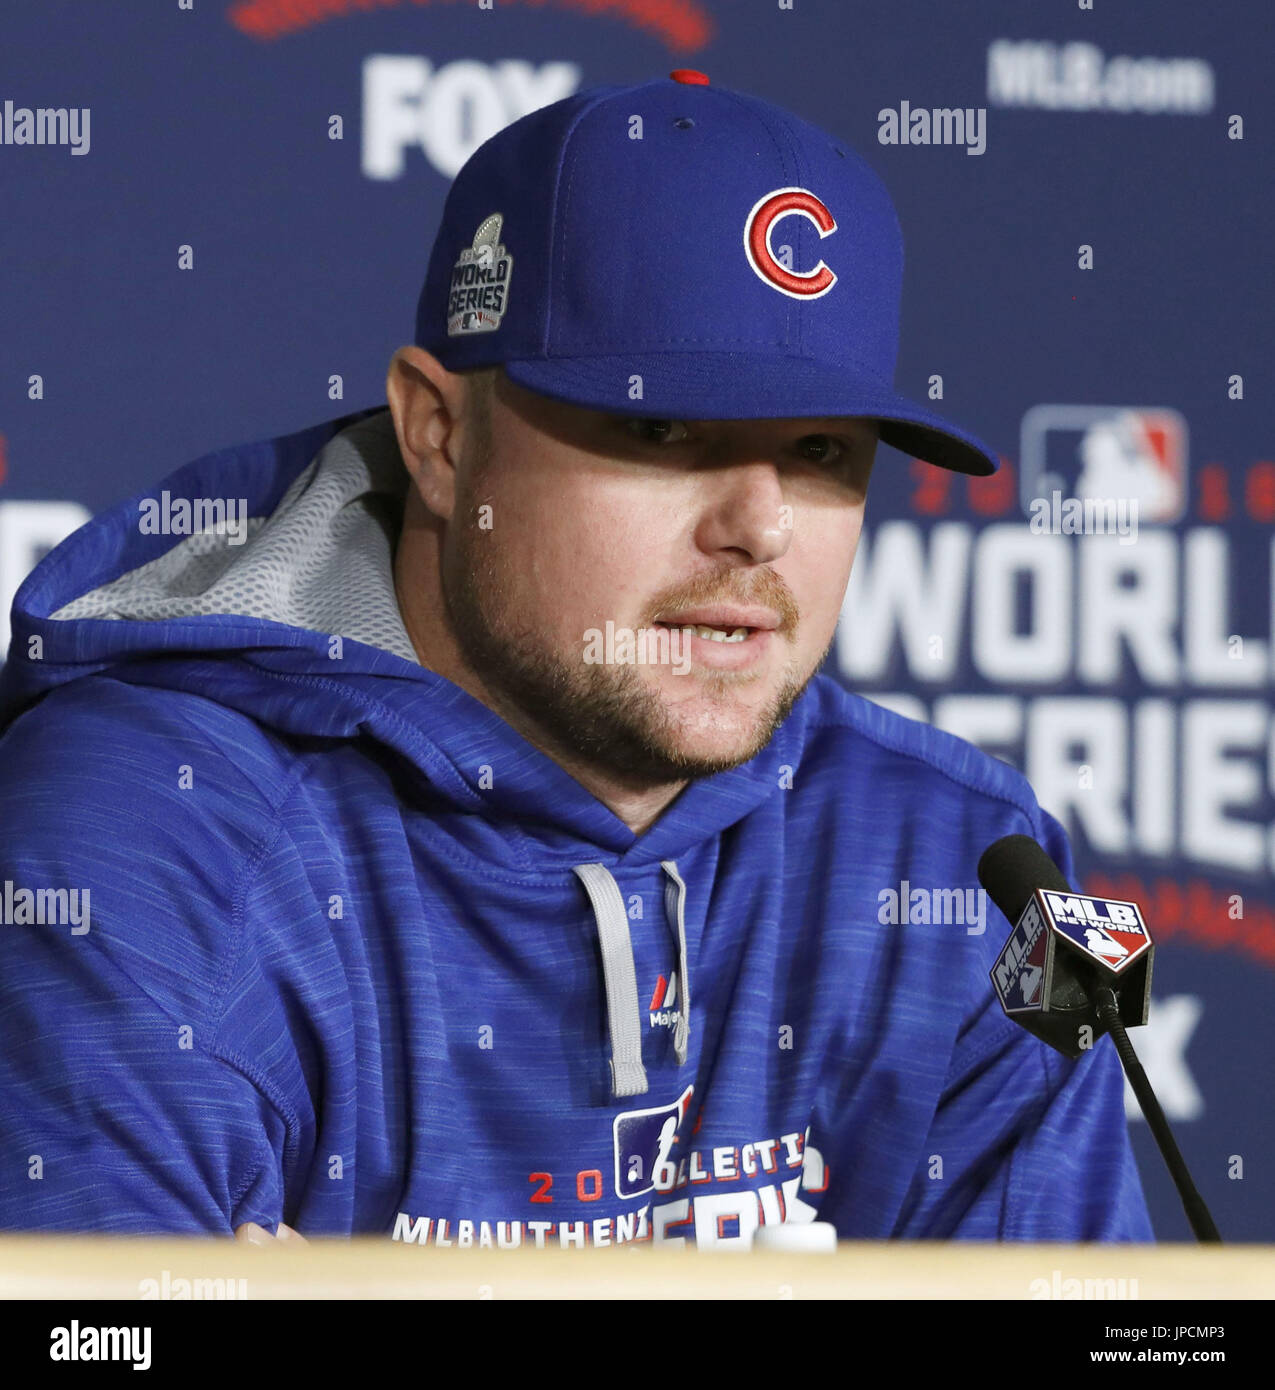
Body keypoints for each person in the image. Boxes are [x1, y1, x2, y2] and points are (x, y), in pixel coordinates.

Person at [0, 72, 1152, 1246]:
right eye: (661, 428)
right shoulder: (148, 838)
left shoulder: (962, 863)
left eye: (818, 450)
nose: (758, 526)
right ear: (440, 439)